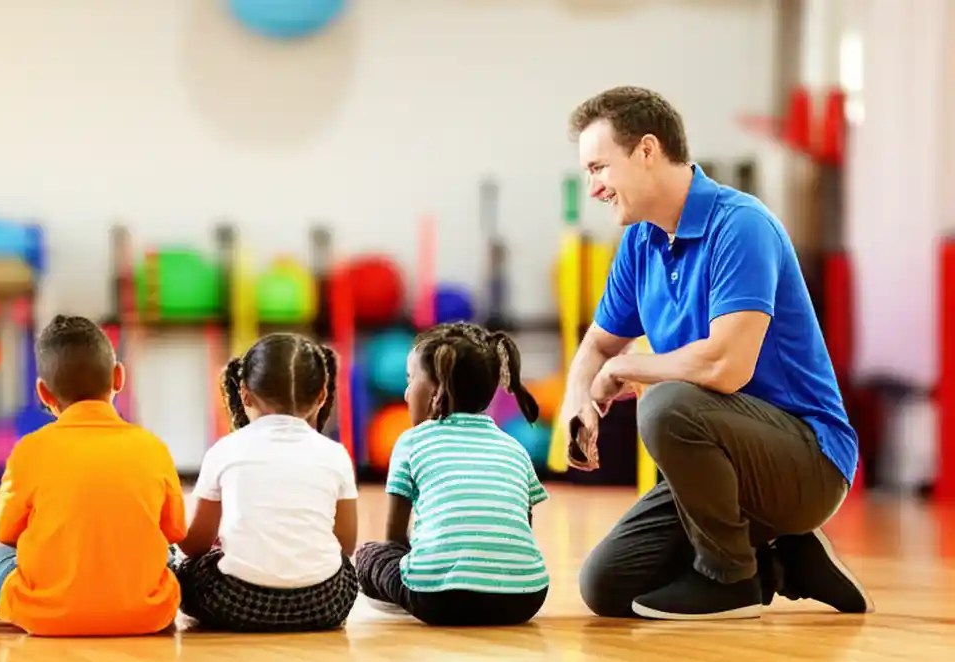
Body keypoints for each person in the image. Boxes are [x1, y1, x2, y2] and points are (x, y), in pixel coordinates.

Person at [563, 86, 872, 620]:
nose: (592, 188)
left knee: (666, 404)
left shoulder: (741, 226)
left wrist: (627, 368)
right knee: (605, 586)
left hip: (809, 461)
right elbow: (597, 342)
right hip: (718, 459)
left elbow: (725, 366)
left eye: (599, 168)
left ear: (647, 151)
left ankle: (729, 577)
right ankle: (783, 558)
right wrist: (576, 400)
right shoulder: (641, 242)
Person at [0, 314, 187, 636]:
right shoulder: (153, 447)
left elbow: (5, 532)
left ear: (44, 393)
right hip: (147, 614)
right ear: (118, 377)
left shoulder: (30, 449)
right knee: (168, 554)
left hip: (46, 615)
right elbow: (174, 531)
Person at [354, 322, 550, 626]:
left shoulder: (411, 442)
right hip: (525, 598)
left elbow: (394, 539)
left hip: (438, 601)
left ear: (435, 391)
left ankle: (406, 597)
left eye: (410, 380)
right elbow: (520, 529)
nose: (406, 393)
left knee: (370, 555)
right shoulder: (515, 447)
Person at [174, 333, 359, 633]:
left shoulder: (224, 450)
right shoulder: (336, 454)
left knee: (183, 570)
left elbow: (195, 545)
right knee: (347, 568)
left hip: (234, 602)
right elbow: (346, 545)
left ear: (244, 394)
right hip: (324, 603)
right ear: (322, 395)